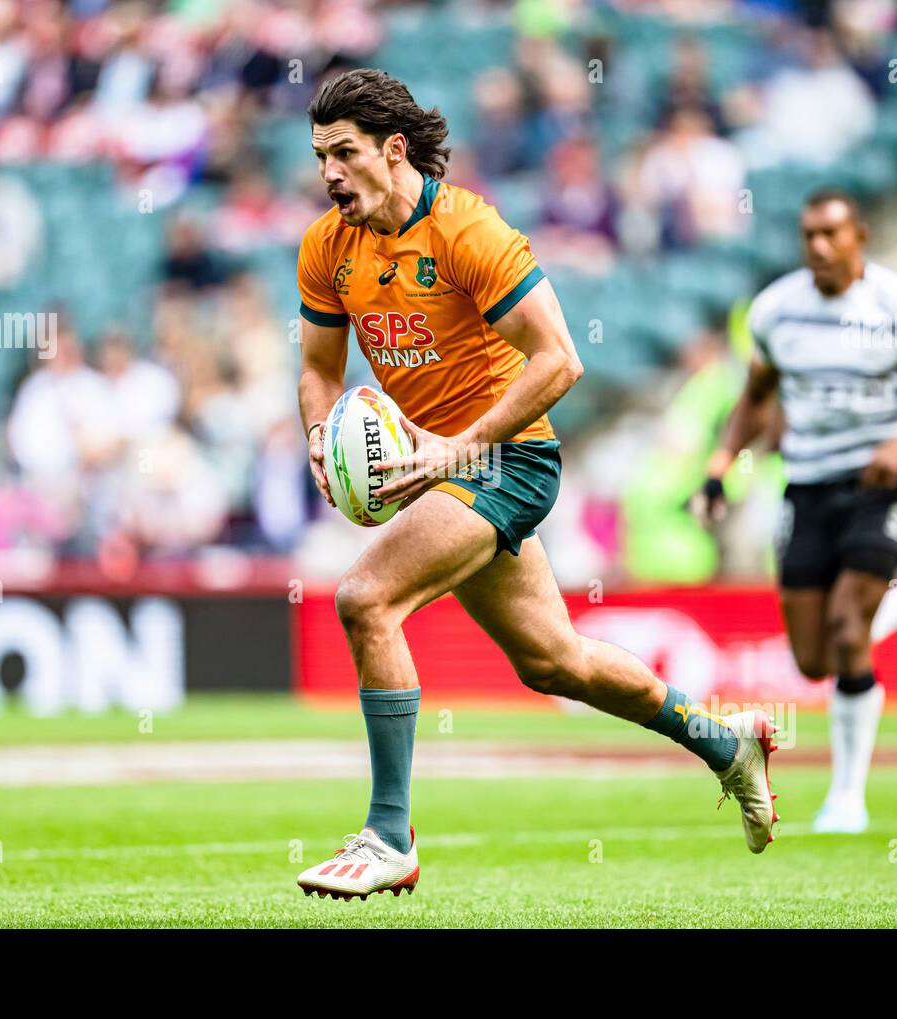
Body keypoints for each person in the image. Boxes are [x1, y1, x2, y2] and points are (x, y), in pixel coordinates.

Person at [292, 69, 779, 902]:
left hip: (507, 459)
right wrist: (317, 435)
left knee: (365, 598)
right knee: (555, 663)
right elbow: (315, 368)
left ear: (393, 150)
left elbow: (562, 359)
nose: (329, 172)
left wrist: (457, 449)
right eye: (320, 156)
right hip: (435, 472)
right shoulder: (327, 247)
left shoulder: (470, 231)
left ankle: (388, 834)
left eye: (344, 153)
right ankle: (724, 741)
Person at [696, 189, 897, 834]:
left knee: (850, 632)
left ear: (861, 236)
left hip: (882, 486)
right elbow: (755, 398)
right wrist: (718, 469)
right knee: (813, 660)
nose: (819, 248)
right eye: (808, 236)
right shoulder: (776, 311)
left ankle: (846, 798)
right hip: (808, 489)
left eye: (831, 234)